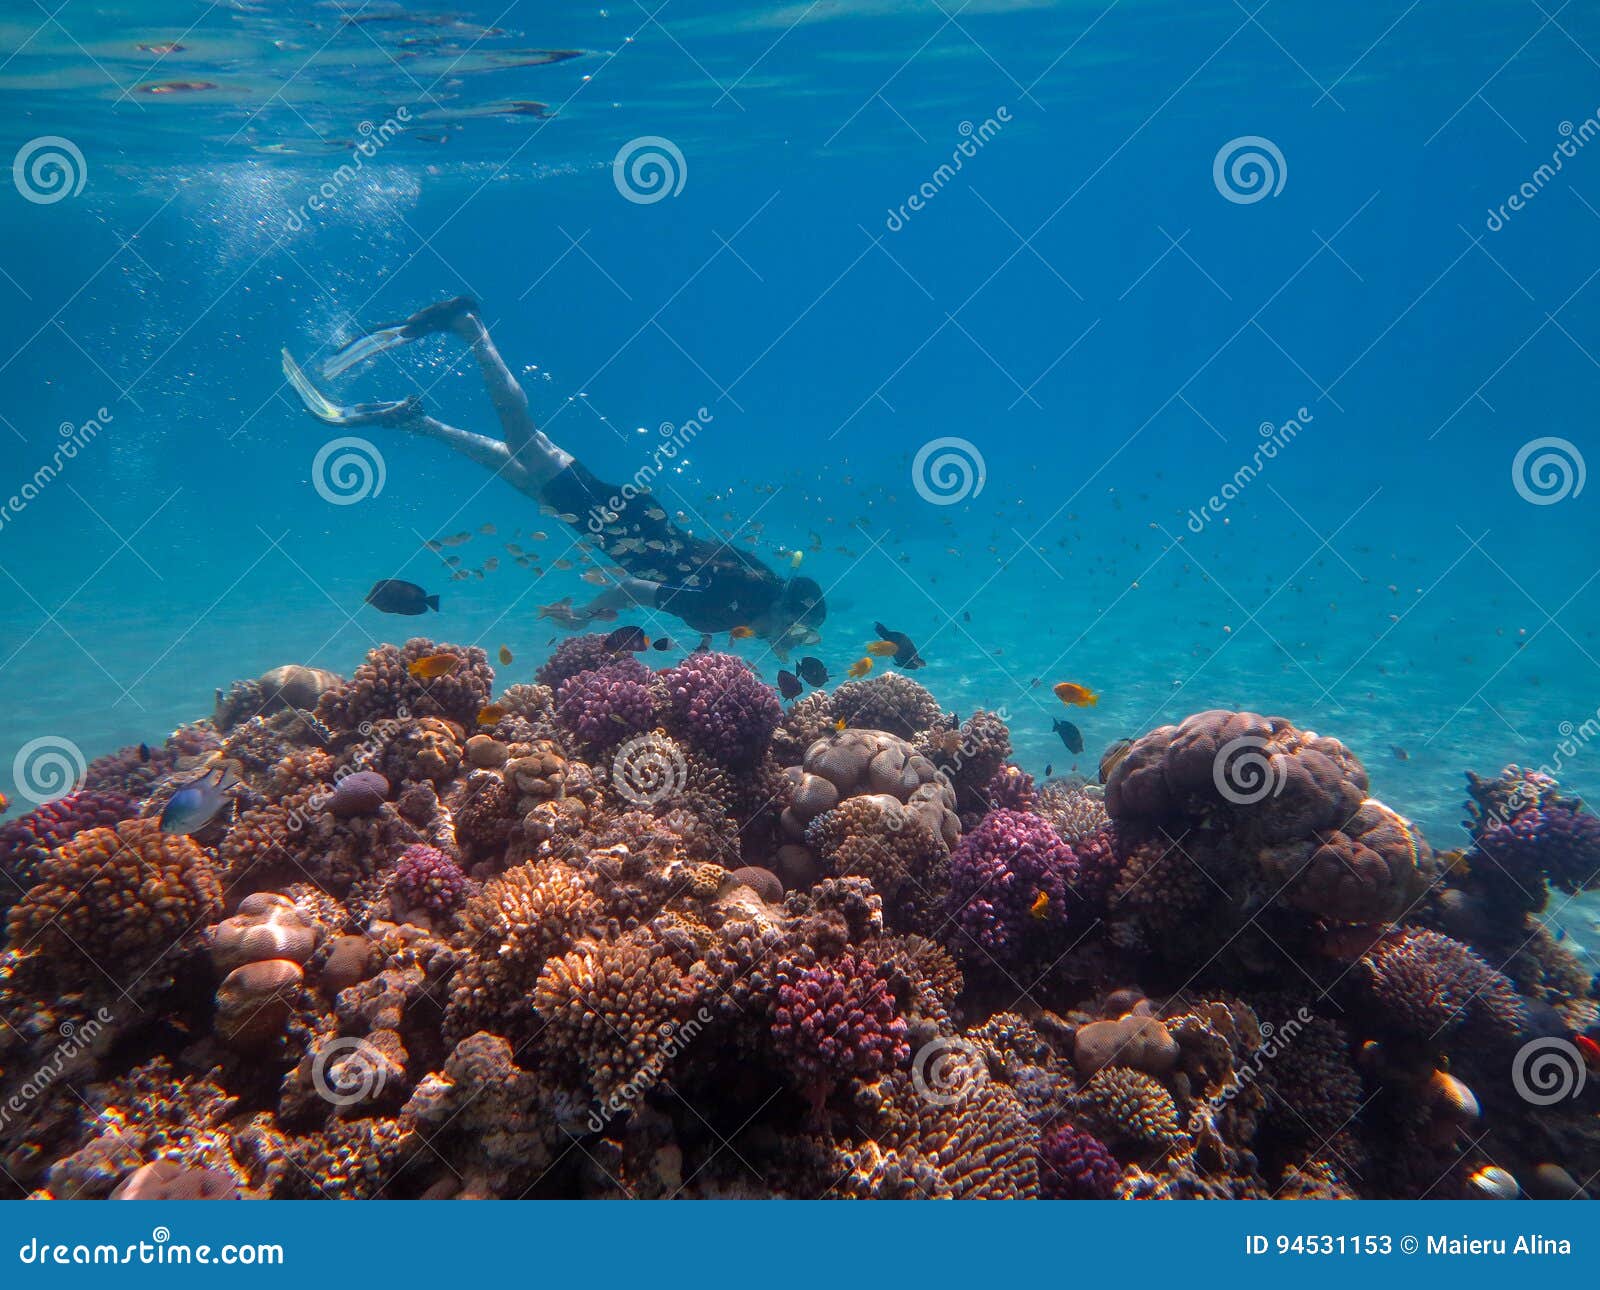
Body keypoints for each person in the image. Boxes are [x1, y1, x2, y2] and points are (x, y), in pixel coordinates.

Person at [282, 296, 826, 652]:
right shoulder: (724, 607)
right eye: (794, 634)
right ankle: (469, 327)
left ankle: (415, 420)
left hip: (627, 521)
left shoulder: (755, 580)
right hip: (615, 525)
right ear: (783, 612)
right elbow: (632, 585)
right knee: (524, 437)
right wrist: (588, 614)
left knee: (510, 464)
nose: (786, 643)